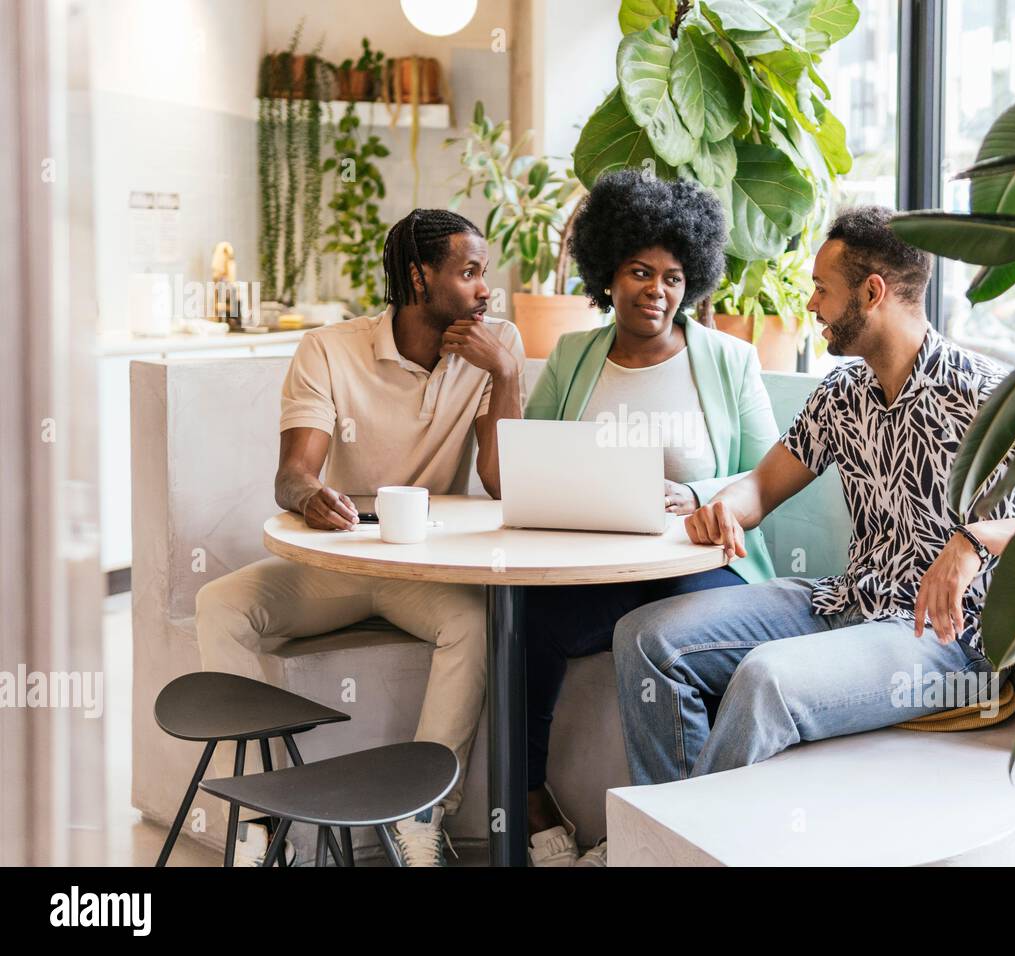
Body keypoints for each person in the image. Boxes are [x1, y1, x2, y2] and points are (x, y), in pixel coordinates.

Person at [613, 205, 1015, 785]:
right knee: (646, 638)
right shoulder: (843, 392)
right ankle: (675, 840)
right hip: (845, 600)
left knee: (765, 677)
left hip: (945, 640)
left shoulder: (988, 395)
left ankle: (681, 847)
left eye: (821, 290)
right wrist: (726, 507)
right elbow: (761, 484)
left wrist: (976, 540)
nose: (810, 306)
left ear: (872, 292)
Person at [195, 209, 524, 865]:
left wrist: (506, 374)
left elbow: (502, 483)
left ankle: (423, 821)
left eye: (484, 272)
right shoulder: (329, 349)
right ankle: (260, 826)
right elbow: (292, 474)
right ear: (418, 275)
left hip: (425, 573)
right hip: (341, 562)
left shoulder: (497, 345)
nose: (485, 288)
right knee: (221, 604)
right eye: (468, 272)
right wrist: (313, 498)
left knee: (473, 624)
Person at [521, 171, 779, 866]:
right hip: (597, 570)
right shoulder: (574, 356)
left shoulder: (729, 359)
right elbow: (532, 454)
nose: (656, 290)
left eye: (671, 275)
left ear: (691, 279)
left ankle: (675, 834)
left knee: (663, 638)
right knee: (524, 623)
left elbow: (769, 473)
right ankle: (529, 802)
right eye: (639, 271)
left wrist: (696, 495)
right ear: (608, 272)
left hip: (701, 570)